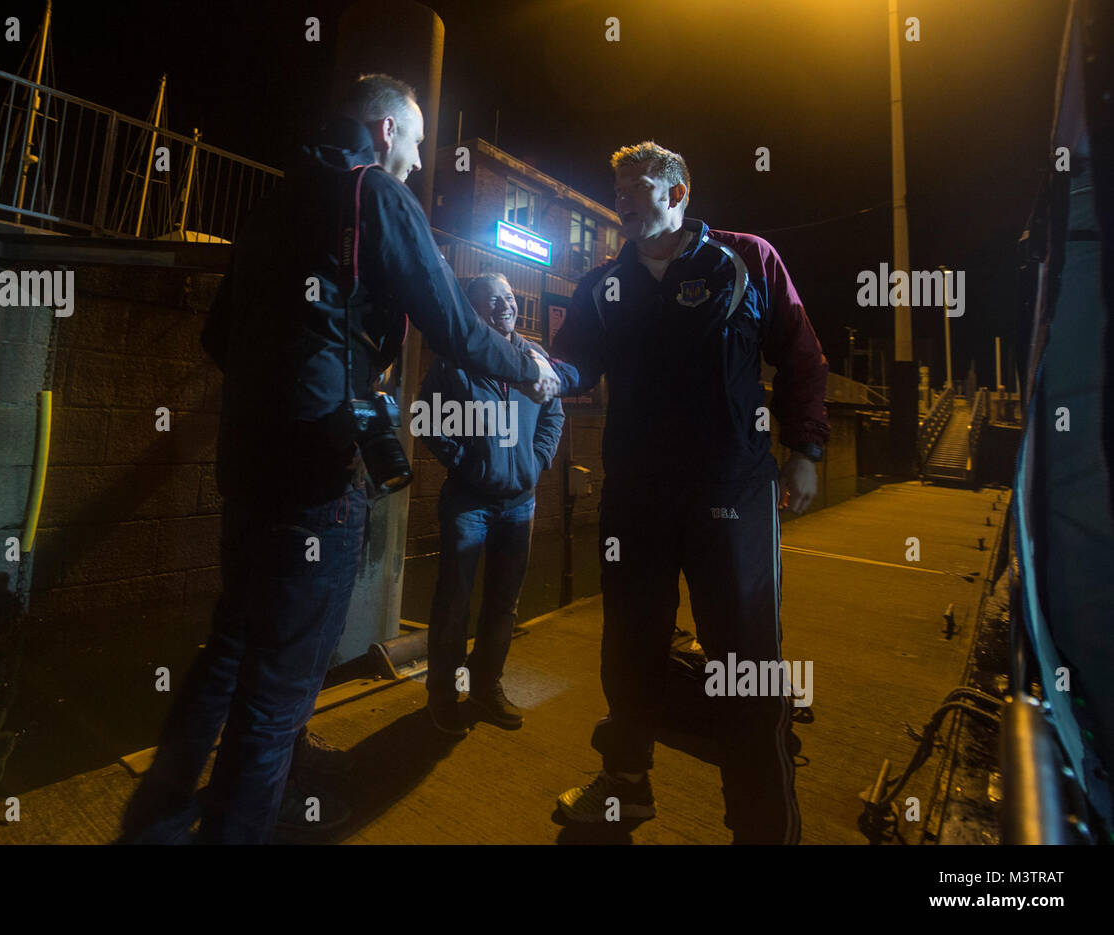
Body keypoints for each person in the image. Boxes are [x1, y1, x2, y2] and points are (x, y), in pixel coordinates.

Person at [118, 74, 558, 845]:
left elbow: (219, 336)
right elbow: (452, 322)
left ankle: (154, 822)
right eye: (417, 144)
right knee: (278, 692)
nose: (419, 164)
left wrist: (302, 358)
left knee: (229, 649)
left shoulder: (274, 199)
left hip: (247, 465)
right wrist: (526, 367)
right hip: (319, 471)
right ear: (385, 132)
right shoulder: (376, 195)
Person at [546, 141, 829, 844]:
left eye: (636, 184)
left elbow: (800, 352)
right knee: (629, 646)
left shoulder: (745, 259)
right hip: (636, 498)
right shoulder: (602, 284)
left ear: (678, 191)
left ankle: (761, 824)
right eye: (616, 188)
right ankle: (626, 782)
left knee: (746, 660)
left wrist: (807, 449)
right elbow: (573, 363)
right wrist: (535, 368)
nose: (622, 198)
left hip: (731, 493)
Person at [418, 273, 565, 736]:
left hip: (520, 502)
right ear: (473, 308)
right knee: (454, 602)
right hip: (470, 503)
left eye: (511, 297)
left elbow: (553, 413)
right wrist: (468, 464)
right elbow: (427, 420)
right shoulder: (453, 362)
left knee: (504, 603)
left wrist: (535, 462)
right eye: (494, 299)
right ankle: (442, 696)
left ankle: (486, 687)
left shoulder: (533, 357)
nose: (507, 304)